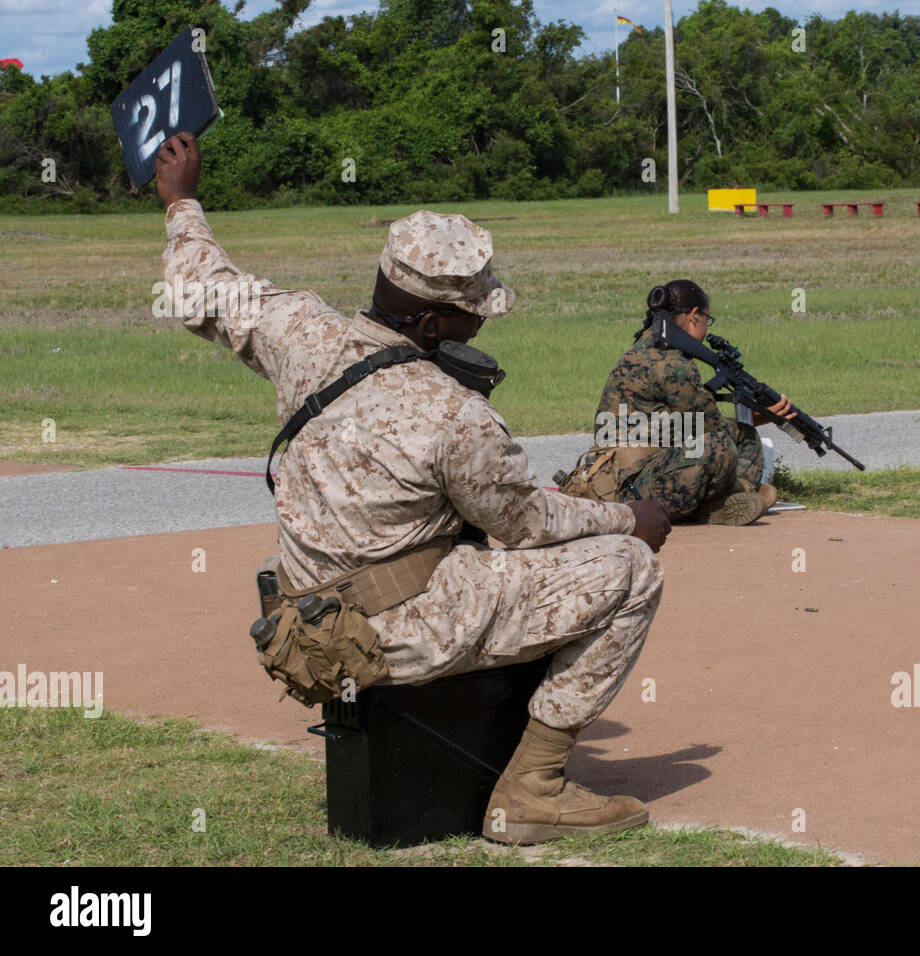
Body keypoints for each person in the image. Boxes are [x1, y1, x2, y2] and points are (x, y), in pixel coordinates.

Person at [153, 132, 672, 844]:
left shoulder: (301, 331)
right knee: (630, 571)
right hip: (396, 635)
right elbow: (525, 523)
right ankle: (533, 791)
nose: (482, 320)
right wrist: (626, 518)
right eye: (472, 312)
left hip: (308, 627)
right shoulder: (455, 414)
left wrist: (182, 199)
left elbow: (199, 288)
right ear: (431, 322)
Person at [593, 279, 794, 525]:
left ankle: (720, 506)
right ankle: (725, 501)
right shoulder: (674, 364)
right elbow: (709, 428)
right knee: (721, 442)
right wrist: (760, 417)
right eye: (706, 319)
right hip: (637, 490)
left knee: (730, 436)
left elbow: (681, 424)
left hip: (615, 479)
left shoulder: (641, 349)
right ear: (694, 316)